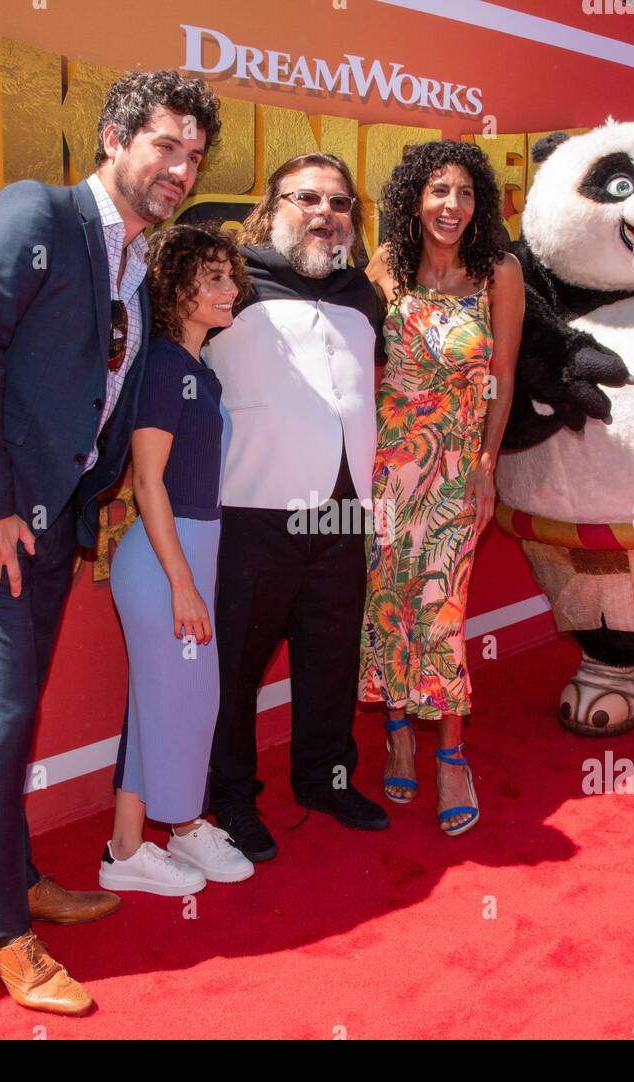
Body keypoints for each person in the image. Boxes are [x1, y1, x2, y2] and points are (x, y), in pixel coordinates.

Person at [0, 71, 220, 1016]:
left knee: (18, 709)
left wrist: (75, 517)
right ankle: (1, 930)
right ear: (116, 137)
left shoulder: (136, 263)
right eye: (167, 145)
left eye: (195, 156)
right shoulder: (34, 211)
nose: (181, 168)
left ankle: (20, 875)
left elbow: (96, 394)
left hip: (44, 525)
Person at [204, 153, 391, 862]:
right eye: (306, 198)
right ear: (271, 208)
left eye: (340, 203)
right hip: (252, 510)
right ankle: (230, 800)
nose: (324, 212)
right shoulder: (231, 281)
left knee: (333, 659)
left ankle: (324, 779)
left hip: (344, 515)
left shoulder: (362, 295)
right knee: (234, 672)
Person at [359, 141, 521, 836]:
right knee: (388, 601)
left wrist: (487, 463)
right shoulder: (386, 267)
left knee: (443, 610)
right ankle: (398, 729)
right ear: (414, 199)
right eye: (437, 191)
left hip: (456, 470)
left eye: (464, 192)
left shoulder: (499, 274)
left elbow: (504, 377)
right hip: (387, 469)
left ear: (477, 204)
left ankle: (450, 751)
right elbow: (360, 368)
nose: (450, 205)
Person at [98, 224, 256, 895]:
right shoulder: (166, 365)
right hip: (166, 562)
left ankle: (127, 849)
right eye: (214, 278)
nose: (231, 289)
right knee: (187, 704)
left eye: (232, 276)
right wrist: (183, 584)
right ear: (178, 289)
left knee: (160, 704)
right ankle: (184, 826)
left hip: (188, 554)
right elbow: (148, 480)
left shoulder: (195, 368)